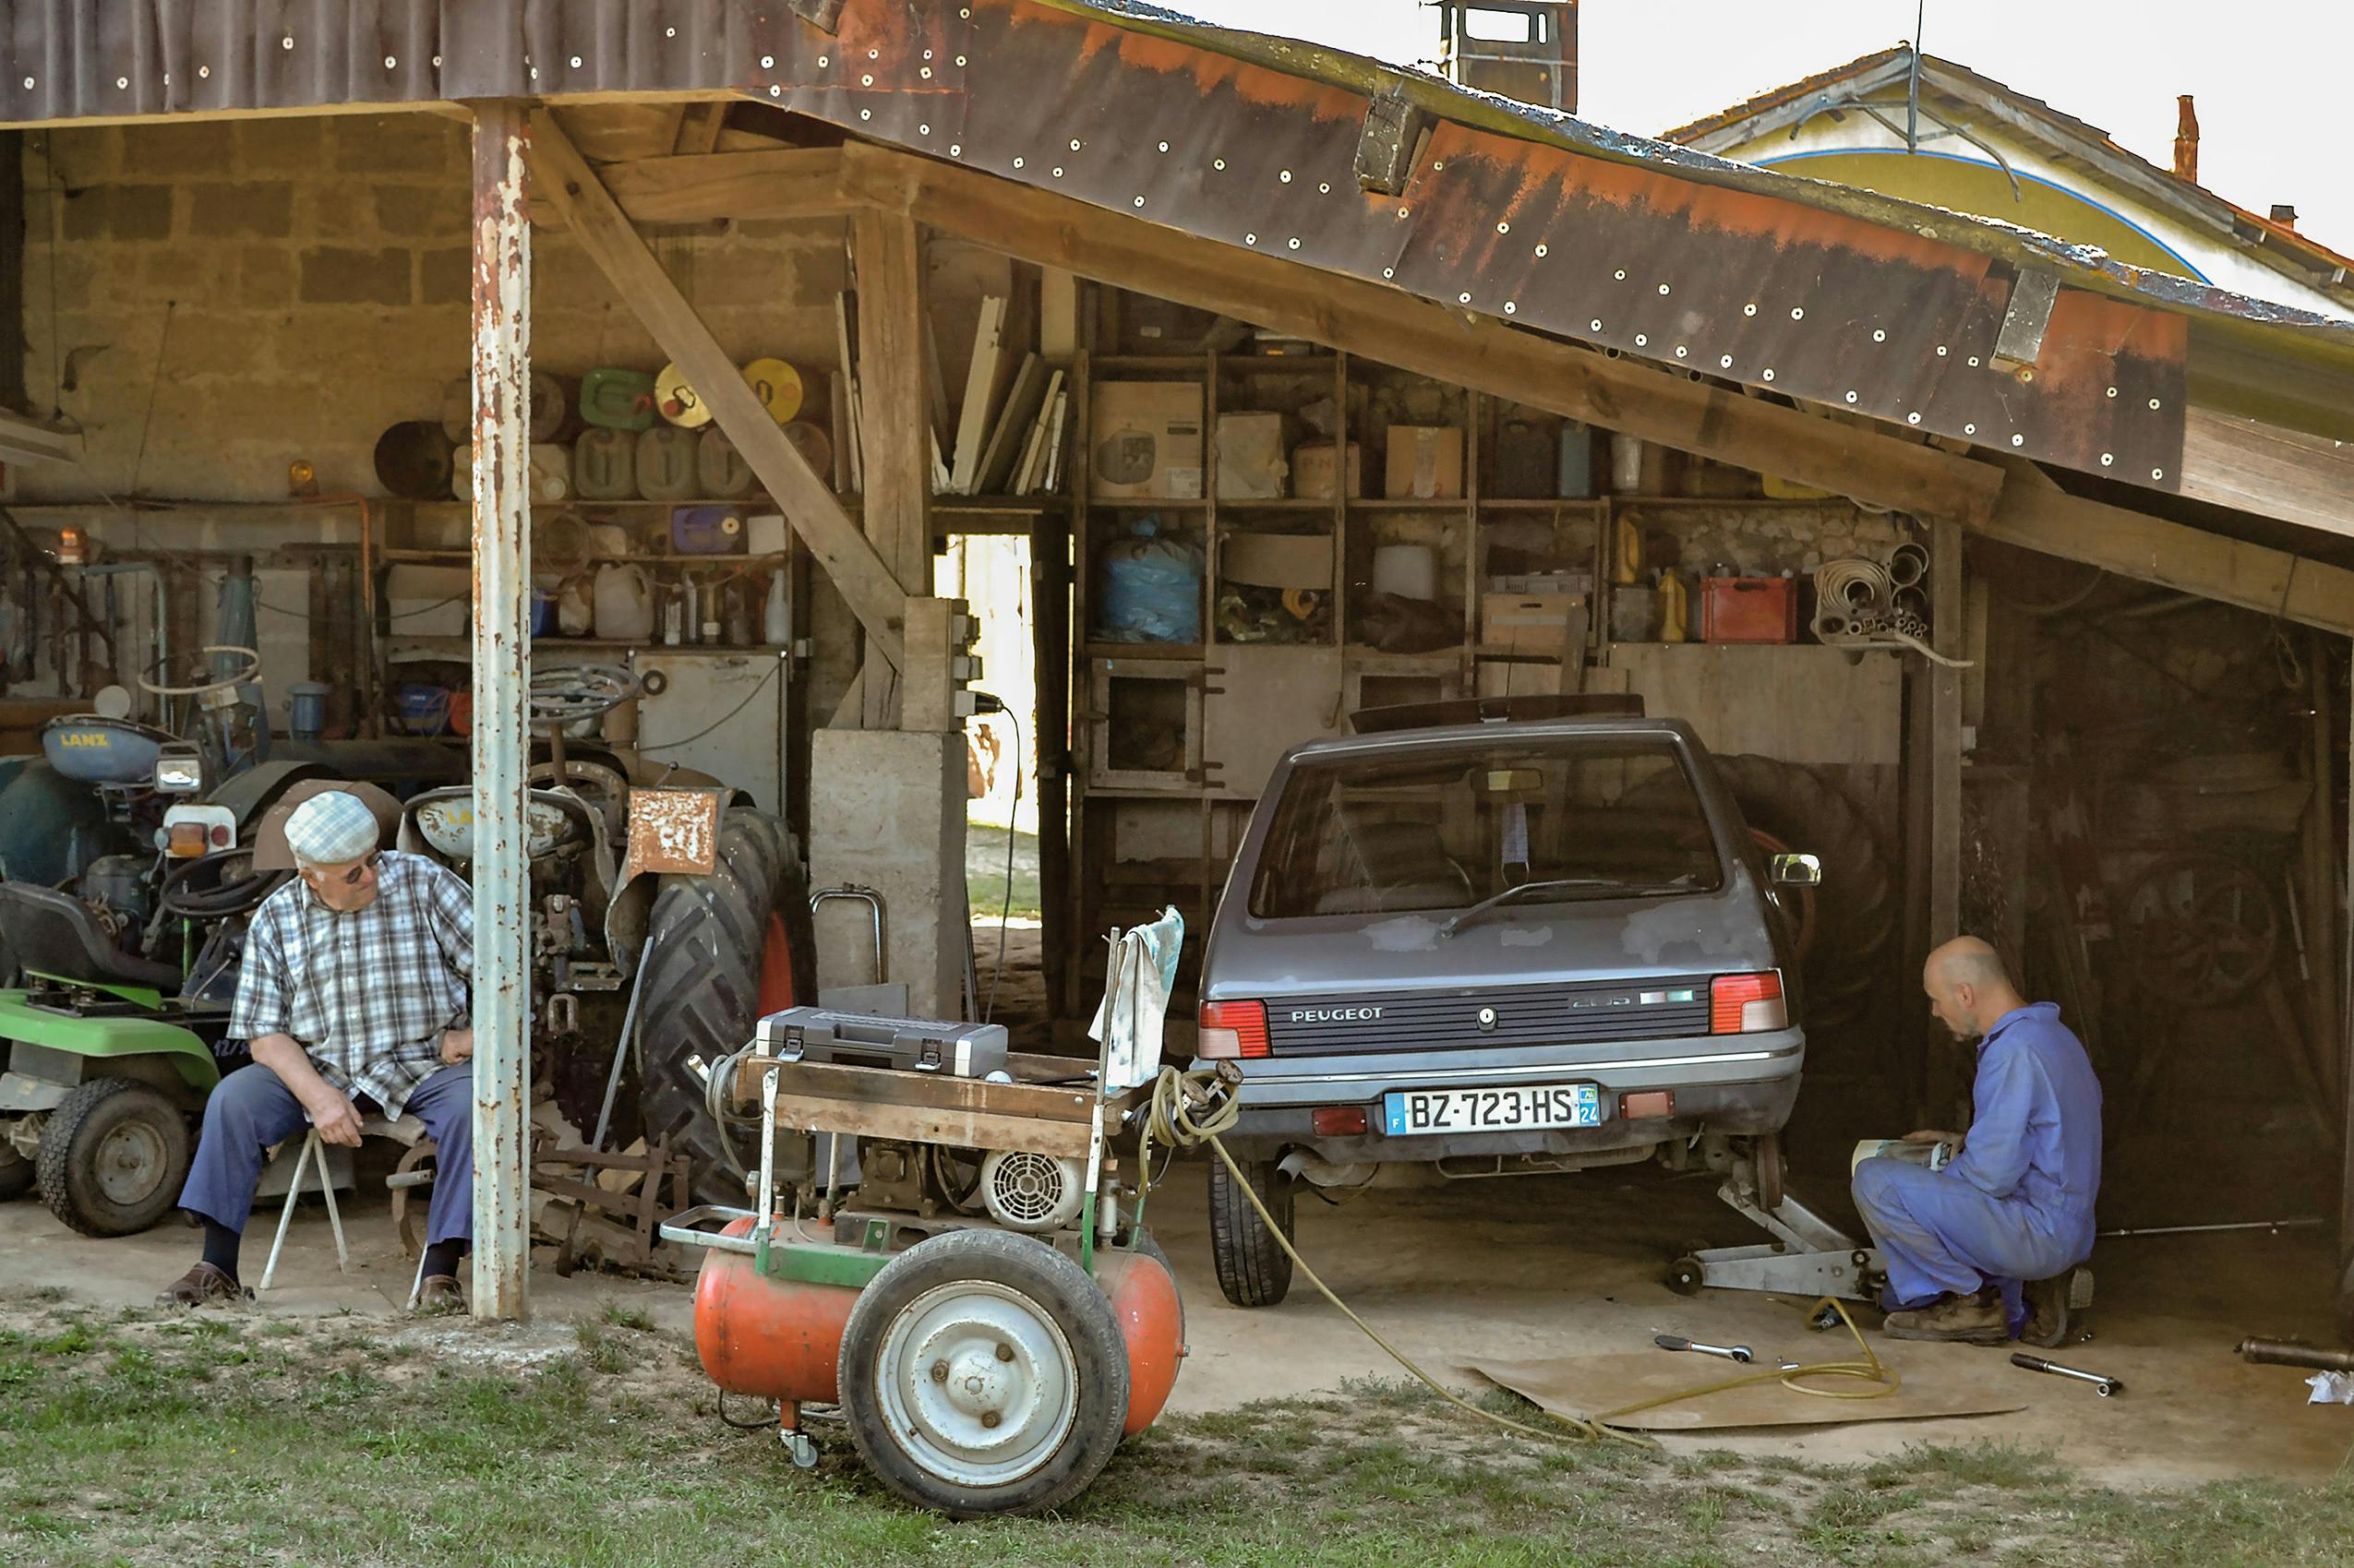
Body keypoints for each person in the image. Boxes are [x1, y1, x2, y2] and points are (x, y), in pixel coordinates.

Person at [158, 789, 477, 1311]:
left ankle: (440, 1274)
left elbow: (504, 966)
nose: (370, 876)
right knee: (234, 1100)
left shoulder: (425, 883)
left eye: (372, 860)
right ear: (310, 876)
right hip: (321, 1067)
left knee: (475, 1106)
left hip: (422, 1063)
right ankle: (217, 1267)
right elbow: (264, 1035)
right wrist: (319, 1097)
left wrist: (476, 1034)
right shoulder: (277, 918)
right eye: (352, 873)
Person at [1852, 936, 2101, 1345]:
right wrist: (1963, 1142)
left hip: (2038, 1232)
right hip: (2067, 1225)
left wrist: (1933, 1184)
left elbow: (1991, 1177)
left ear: (1965, 994)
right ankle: (2033, 1289)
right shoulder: (2053, 1036)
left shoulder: (2012, 1053)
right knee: (1897, 1296)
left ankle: (1973, 1303)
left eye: (1936, 1000)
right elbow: (2045, 1136)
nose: (1935, 1011)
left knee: (1875, 1182)